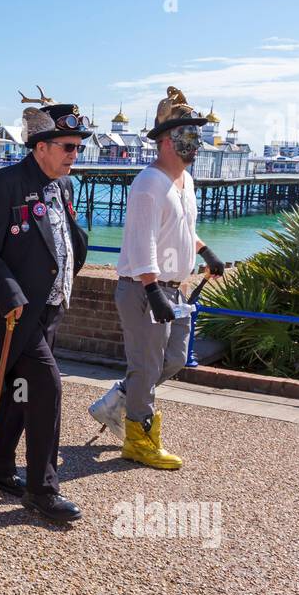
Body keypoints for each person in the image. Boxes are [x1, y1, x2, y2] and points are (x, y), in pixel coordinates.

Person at [88, 87, 225, 469]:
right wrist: (151, 289)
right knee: (146, 366)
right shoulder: (149, 183)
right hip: (144, 289)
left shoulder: (187, 182)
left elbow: (179, 230)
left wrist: (204, 251)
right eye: (186, 137)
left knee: (176, 359)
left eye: (197, 137)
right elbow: (144, 240)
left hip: (175, 289)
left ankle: (118, 401)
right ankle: (140, 438)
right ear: (165, 142)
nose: (194, 144)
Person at [0, 92, 89, 523]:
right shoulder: (5, 184)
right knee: (47, 388)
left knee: (19, 394)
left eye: (79, 147)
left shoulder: (66, 184)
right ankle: (42, 490)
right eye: (69, 147)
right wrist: (12, 296)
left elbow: (67, 234)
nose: (76, 154)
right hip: (16, 311)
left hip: (52, 306)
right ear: (41, 148)